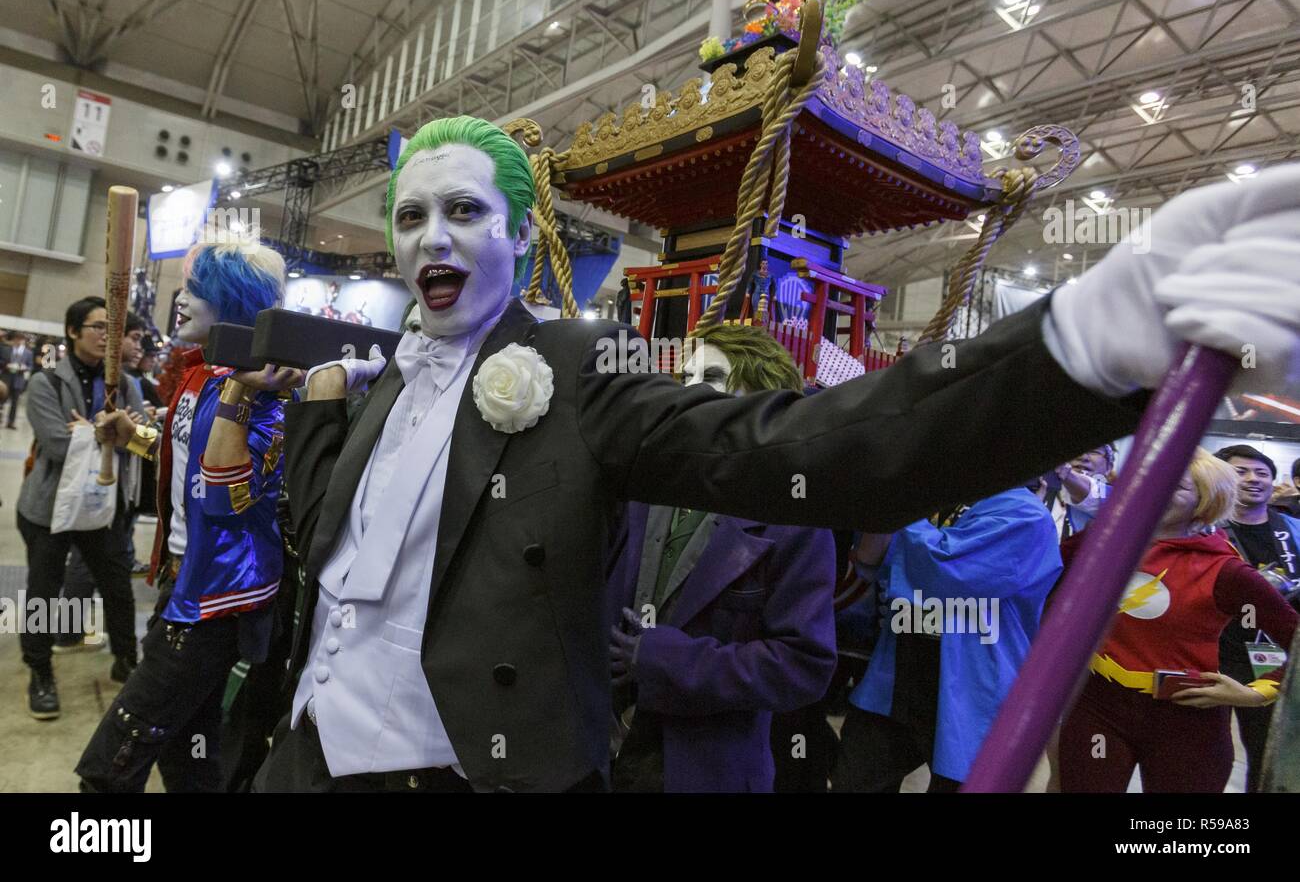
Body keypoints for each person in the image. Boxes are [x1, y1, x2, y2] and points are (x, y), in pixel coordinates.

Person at [252, 115, 1299, 793]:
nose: (432, 237)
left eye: (465, 212)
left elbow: (817, 447)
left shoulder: (577, 371)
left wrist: (1083, 342)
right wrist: (317, 411)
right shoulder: (384, 382)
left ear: (523, 236)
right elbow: (325, 552)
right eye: (411, 217)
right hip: (304, 760)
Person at [75, 241, 293, 792]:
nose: (180, 298)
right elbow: (188, 458)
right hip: (179, 580)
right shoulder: (199, 374)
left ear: (233, 301)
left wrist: (240, 391)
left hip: (218, 597)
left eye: (197, 290)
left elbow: (222, 496)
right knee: (188, 755)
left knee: (109, 769)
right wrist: (134, 436)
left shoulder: (268, 396)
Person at [605, 324, 837, 792]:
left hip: (706, 766)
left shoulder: (793, 519)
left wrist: (667, 660)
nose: (690, 389)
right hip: (603, 752)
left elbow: (803, 664)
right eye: (686, 376)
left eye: (710, 376)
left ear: (761, 398)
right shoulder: (642, 487)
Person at [1057, 448, 1298, 792]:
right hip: (1099, 705)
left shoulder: (1226, 570)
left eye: (1177, 486)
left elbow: (1294, 638)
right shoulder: (1101, 544)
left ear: (1204, 500)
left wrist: (1256, 693)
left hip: (1188, 717)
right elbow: (1040, 585)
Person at [831, 485, 1062, 792]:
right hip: (898, 677)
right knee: (854, 782)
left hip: (973, 692)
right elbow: (870, 561)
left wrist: (898, 504)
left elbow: (947, 572)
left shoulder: (1026, 515)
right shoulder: (938, 499)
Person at [16, 298, 144, 719]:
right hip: (49, 508)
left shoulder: (125, 384)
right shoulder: (46, 382)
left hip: (103, 506)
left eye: (113, 328)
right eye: (98, 327)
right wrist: (108, 433)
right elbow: (56, 443)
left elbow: (142, 438)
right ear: (73, 332)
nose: (108, 335)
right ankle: (40, 672)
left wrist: (92, 431)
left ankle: (126, 660)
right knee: (43, 590)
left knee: (117, 585)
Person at [53, 311, 151, 664]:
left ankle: (121, 655)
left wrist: (129, 431)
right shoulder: (66, 378)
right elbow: (62, 435)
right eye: (133, 337)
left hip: (117, 490)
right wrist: (97, 432)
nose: (137, 347)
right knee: (83, 564)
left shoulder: (127, 384)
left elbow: (141, 437)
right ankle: (68, 632)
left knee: (111, 573)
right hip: (77, 488)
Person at [1213, 443, 1300, 792]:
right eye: (1241, 472)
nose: (1253, 479)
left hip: (1277, 654)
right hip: (1213, 651)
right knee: (1206, 751)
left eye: (1262, 473)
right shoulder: (1205, 530)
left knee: (1267, 749)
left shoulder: (1292, 528)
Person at [1, 331, 34, 429]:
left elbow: (30, 366)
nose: (18, 342)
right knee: (2, 400)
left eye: (21, 340)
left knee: (15, 403)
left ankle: (11, 422)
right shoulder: (7, 349)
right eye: (17, 339)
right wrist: (6, 365)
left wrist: (24, 368)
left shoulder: (28, 353)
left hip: (18, 380)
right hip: (6, 378)